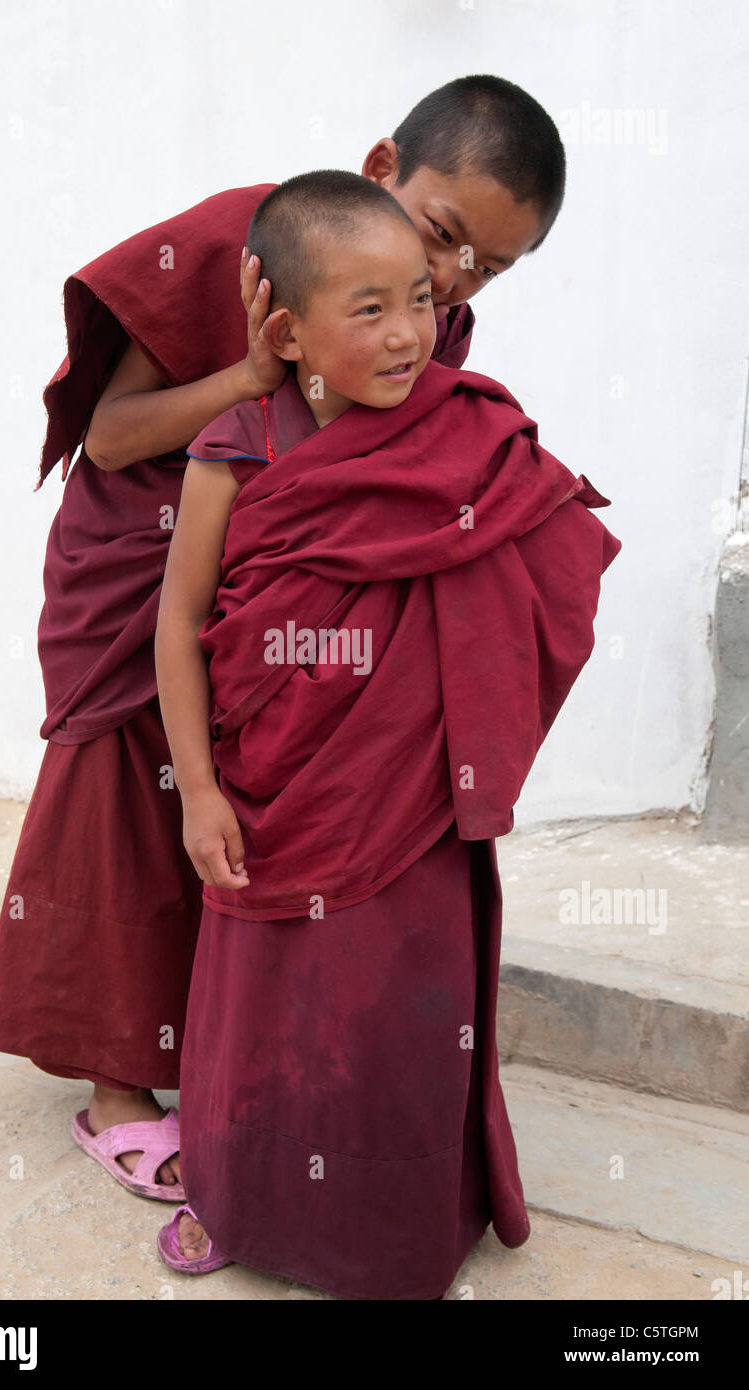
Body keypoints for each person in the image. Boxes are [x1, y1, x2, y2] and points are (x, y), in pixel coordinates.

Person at [0, 76, 569, 1198]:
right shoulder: (250, 242)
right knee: (129, 812)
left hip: (276, 609)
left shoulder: (417, 313)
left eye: (487, 269)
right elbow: (107, 436)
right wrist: (248, 376)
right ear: (384, 165)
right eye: (446, 236)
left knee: (236, 828)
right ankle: (112, 1089)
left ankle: (210, 1057)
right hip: (145, 566)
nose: (448, 284)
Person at [154, 170, 621, 1299]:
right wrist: (203, 794)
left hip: (407, 796)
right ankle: (236, 1194)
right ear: (285, 328)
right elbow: (177, 622)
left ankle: (393, 1225)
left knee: (400, 1018)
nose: (411, 330)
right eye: (368, 310)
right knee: (258, 1013)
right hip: (272, 789)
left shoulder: (464, 433)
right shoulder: (236, 444)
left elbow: (545, 571)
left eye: (420, 296)